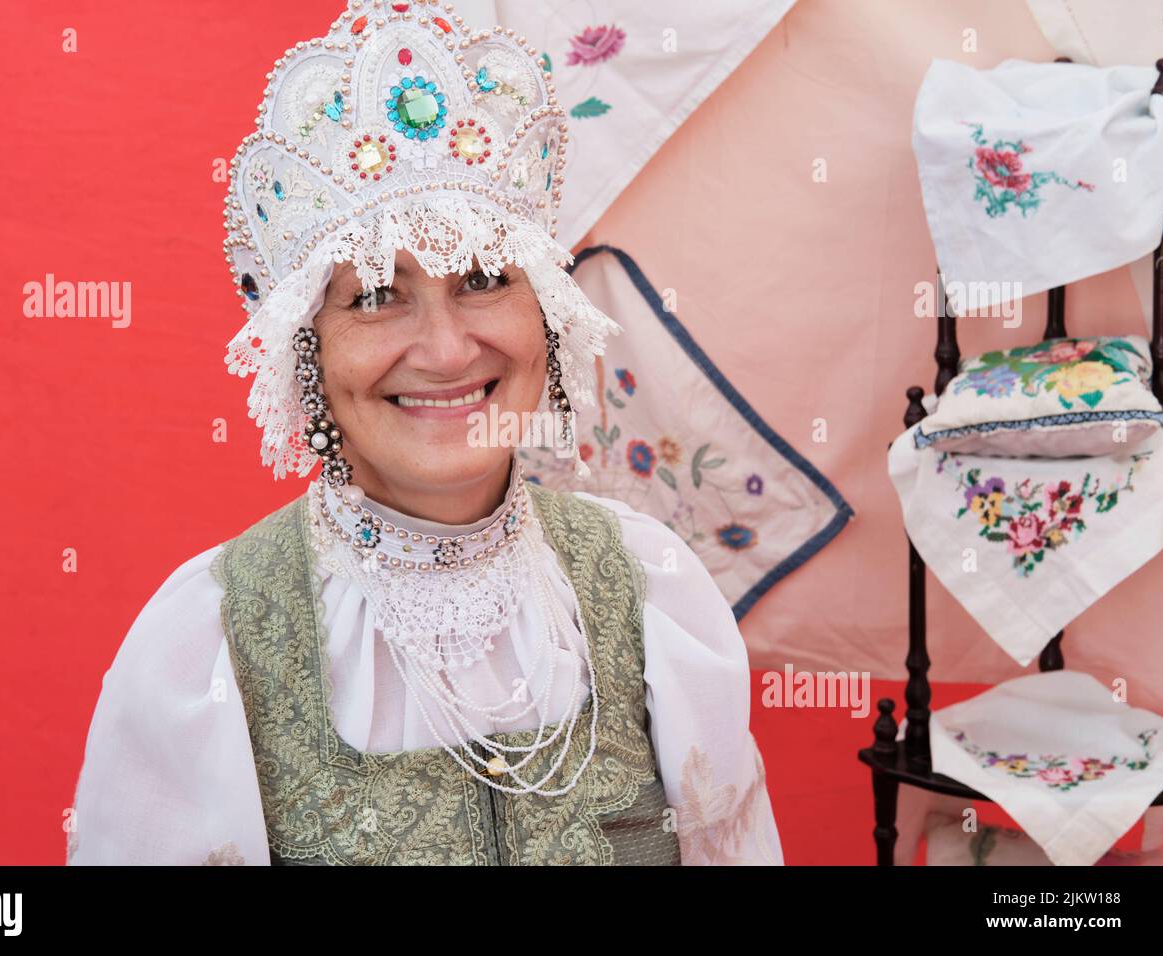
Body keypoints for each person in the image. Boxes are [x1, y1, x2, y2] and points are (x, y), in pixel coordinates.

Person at [68, 0, 782, 866]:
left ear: (545, 317)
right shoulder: (209, 643)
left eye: (484, 280)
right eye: (376, 294)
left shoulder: (654, 589)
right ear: (310, 353)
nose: (447, 350)